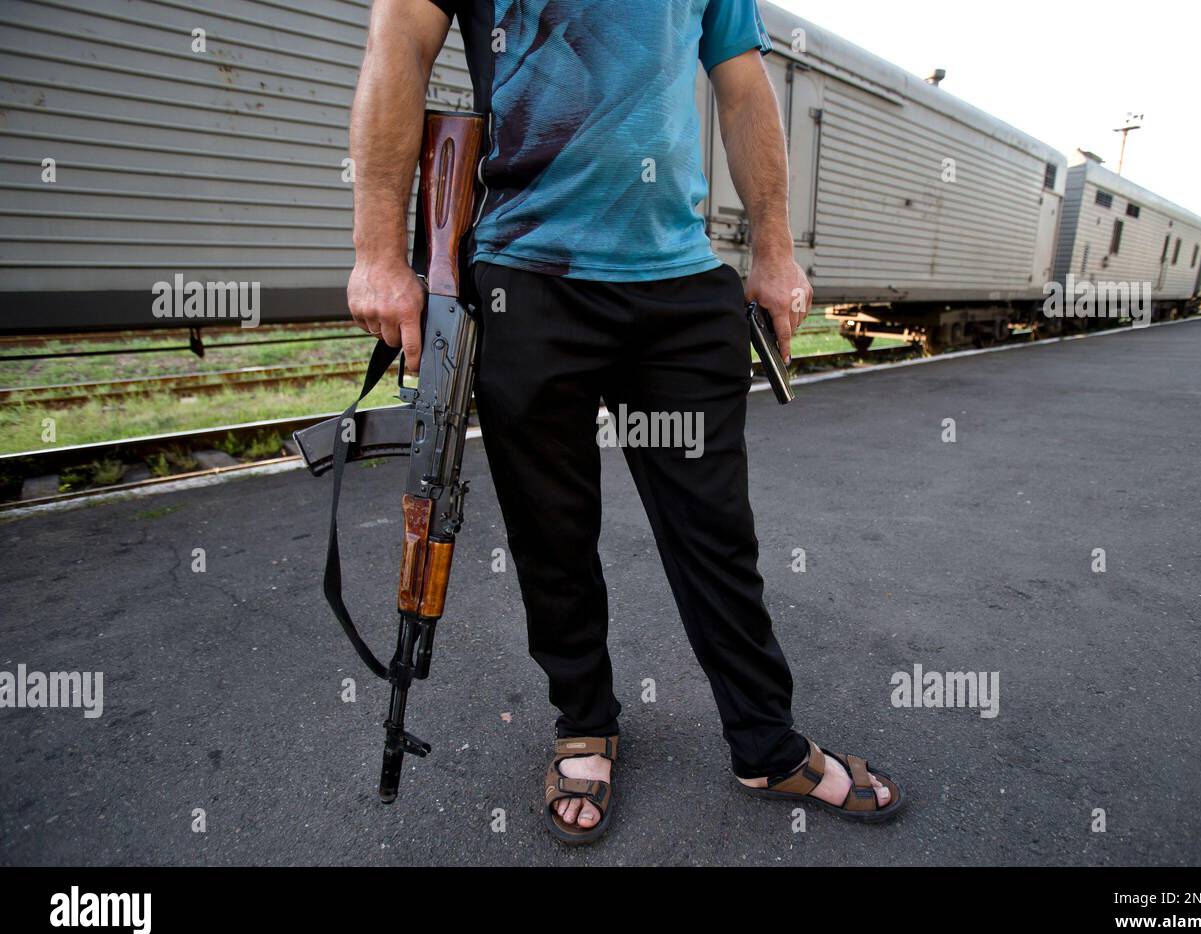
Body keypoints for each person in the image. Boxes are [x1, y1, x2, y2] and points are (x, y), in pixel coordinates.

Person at [346, 0, 905, 843]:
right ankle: (585, 721)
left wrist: (776, 249)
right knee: (552, 533)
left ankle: (766, 742)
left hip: (677, 287)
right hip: (527, 278)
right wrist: (379, 253)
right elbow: (399, 39)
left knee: (715, 533)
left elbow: (744, 87)